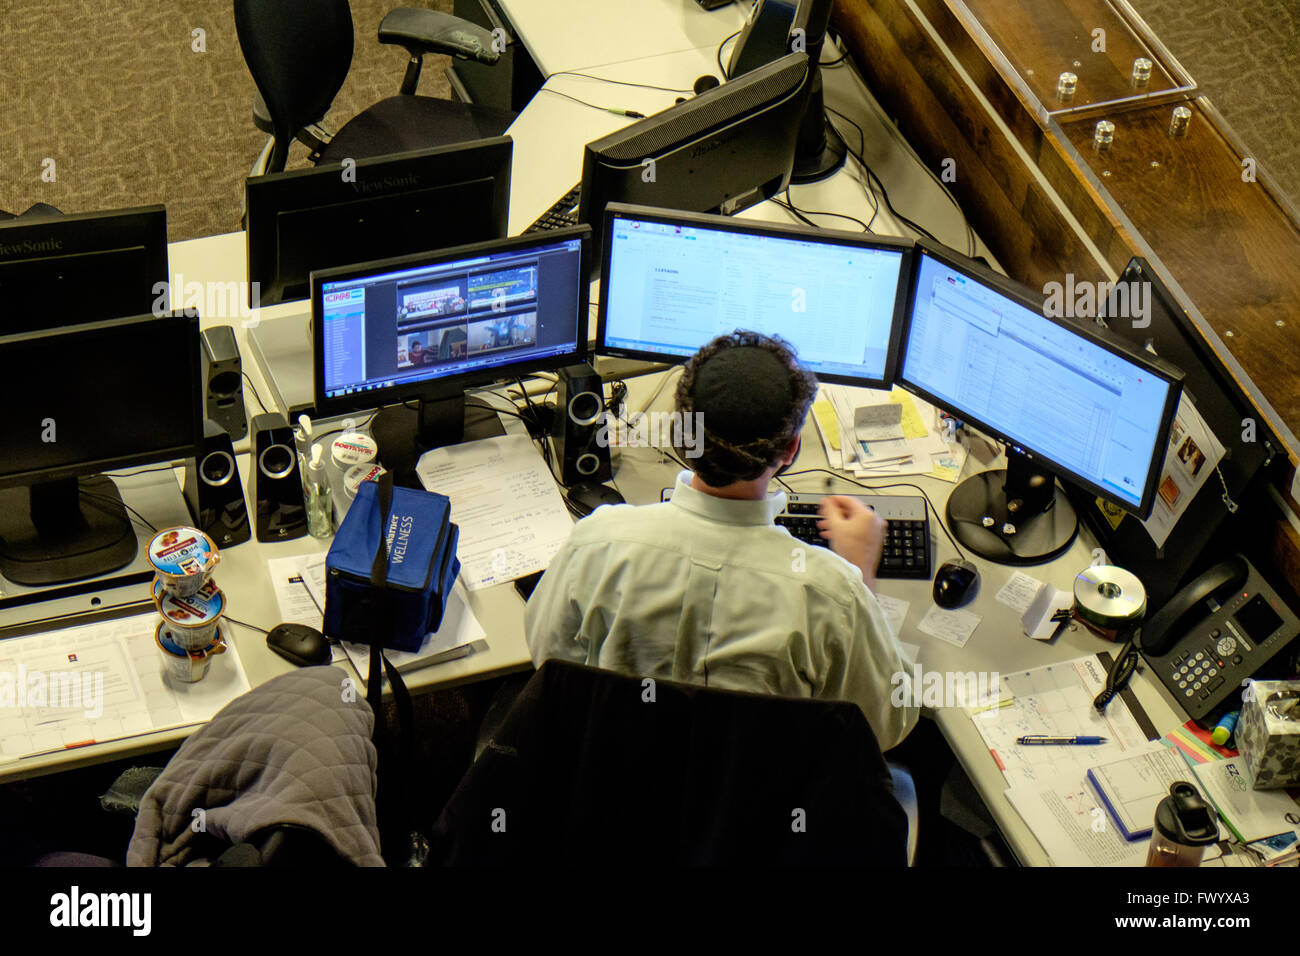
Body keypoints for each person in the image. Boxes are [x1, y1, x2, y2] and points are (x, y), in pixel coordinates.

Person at [524, 330, 918, 753]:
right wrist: (862, 575)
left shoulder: (595, 545)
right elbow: (884, 726)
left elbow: (547, 656)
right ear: (790, 449)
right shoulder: (830, 593)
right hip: (759, 812)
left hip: (615, 798)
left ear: (681, 433)